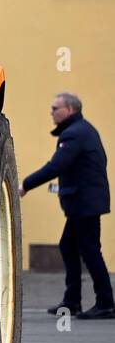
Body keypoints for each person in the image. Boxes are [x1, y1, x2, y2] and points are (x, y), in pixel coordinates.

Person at [22, 92, 113, 319]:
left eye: (55, 108)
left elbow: (55, 166)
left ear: (70, 110)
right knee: (69, 246)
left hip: (85, 204)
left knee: (90, 251)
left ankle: (105, 303)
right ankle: (73, 301)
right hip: (84, 202)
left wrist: (25, 184)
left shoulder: (74, 135)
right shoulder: (82, 130)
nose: (51, 113)